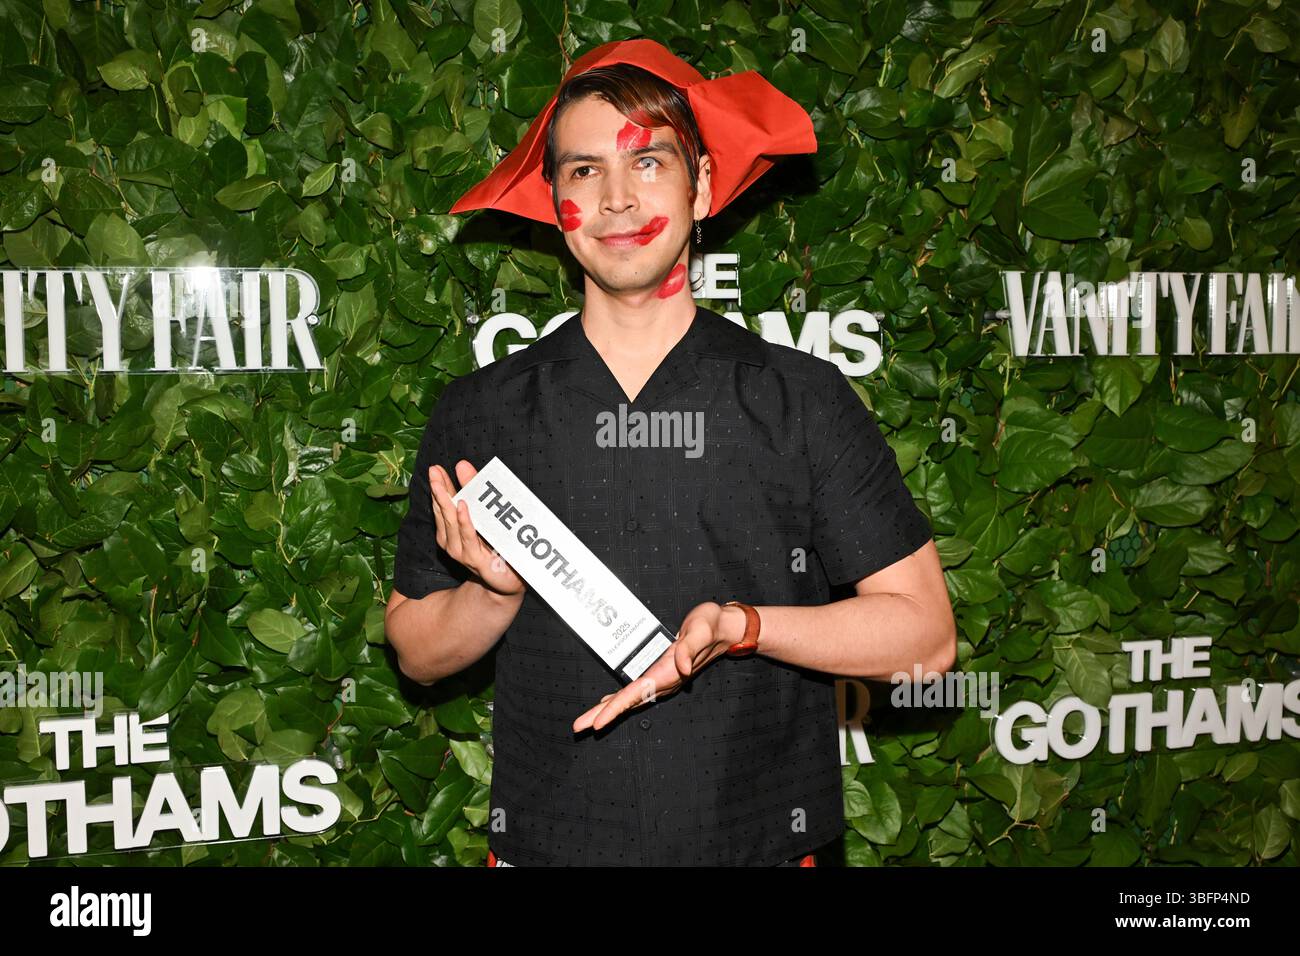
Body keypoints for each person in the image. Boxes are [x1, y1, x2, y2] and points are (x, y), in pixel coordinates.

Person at [385, 38, 957, 867]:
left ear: (704, 186)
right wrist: (493, 594)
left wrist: (748, 627)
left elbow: (926, 641)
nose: (617, 199)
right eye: (584, 171)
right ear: (553, 201)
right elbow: (414, 649)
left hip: (765, 846)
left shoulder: (801, 399)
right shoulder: (484, 411)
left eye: (648, 161)